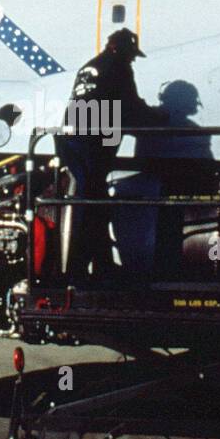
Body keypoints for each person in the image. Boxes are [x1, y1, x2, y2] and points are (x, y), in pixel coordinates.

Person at [55, 28, 167, 278]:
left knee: (93, 201)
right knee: (93, 205)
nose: (132, 60)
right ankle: (78, 269)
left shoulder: (89, 66)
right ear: (123, 50)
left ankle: (100, 263)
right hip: (91, 142)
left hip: (71, 140)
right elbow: (130, 105)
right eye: (132, 55)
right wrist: (158, 117)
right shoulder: (118, 66)